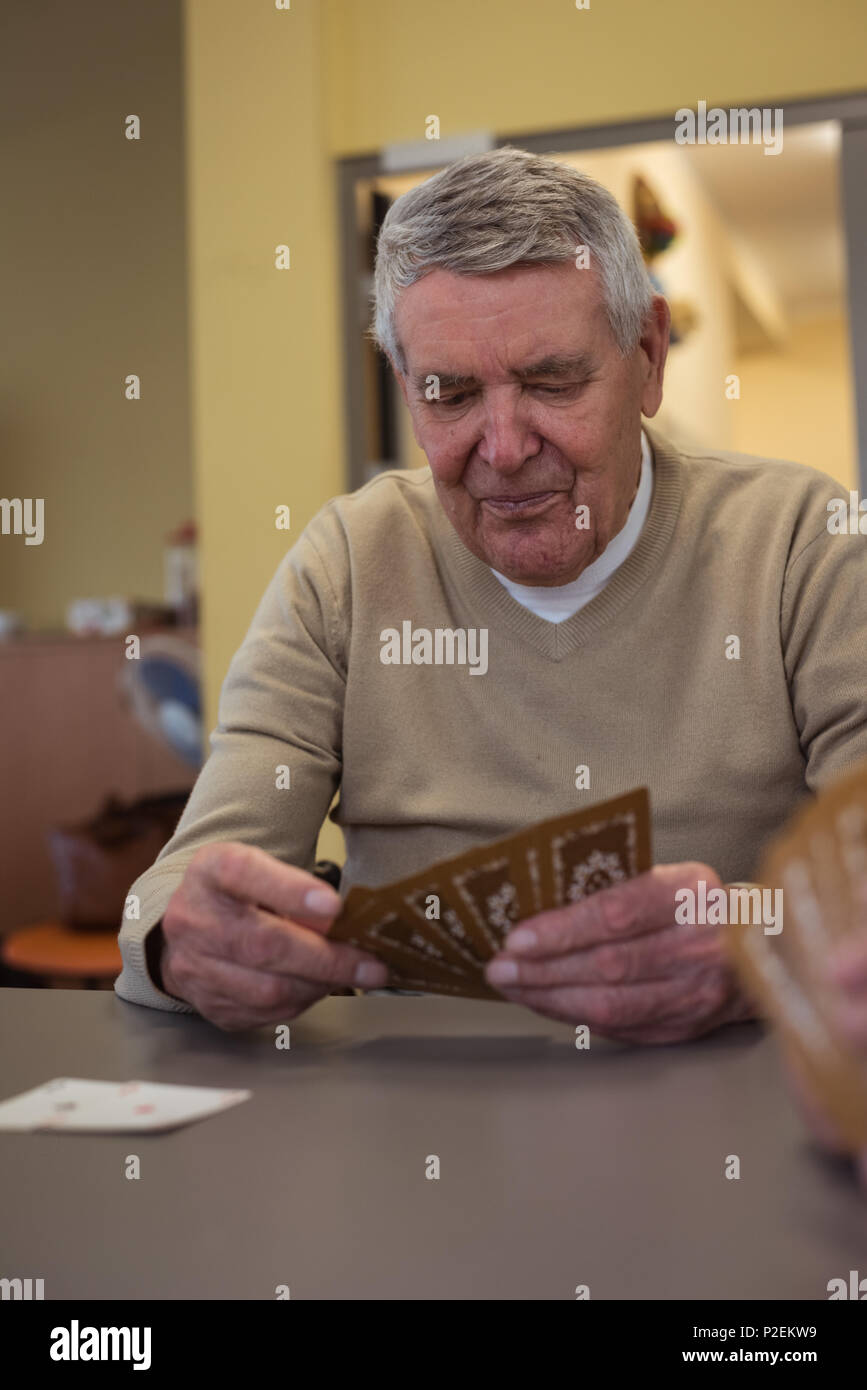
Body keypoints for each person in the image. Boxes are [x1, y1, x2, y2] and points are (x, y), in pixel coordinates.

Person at [116, 148, 867, 1173]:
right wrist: (178, 942)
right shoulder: (346, 562)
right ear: (403, 385)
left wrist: (751, 946)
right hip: (410, 1141)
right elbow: (172, 890)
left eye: (553, 382)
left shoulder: (805, 545)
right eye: (450, 393)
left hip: (742, 1128)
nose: (504, 448)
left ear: (648, 355)